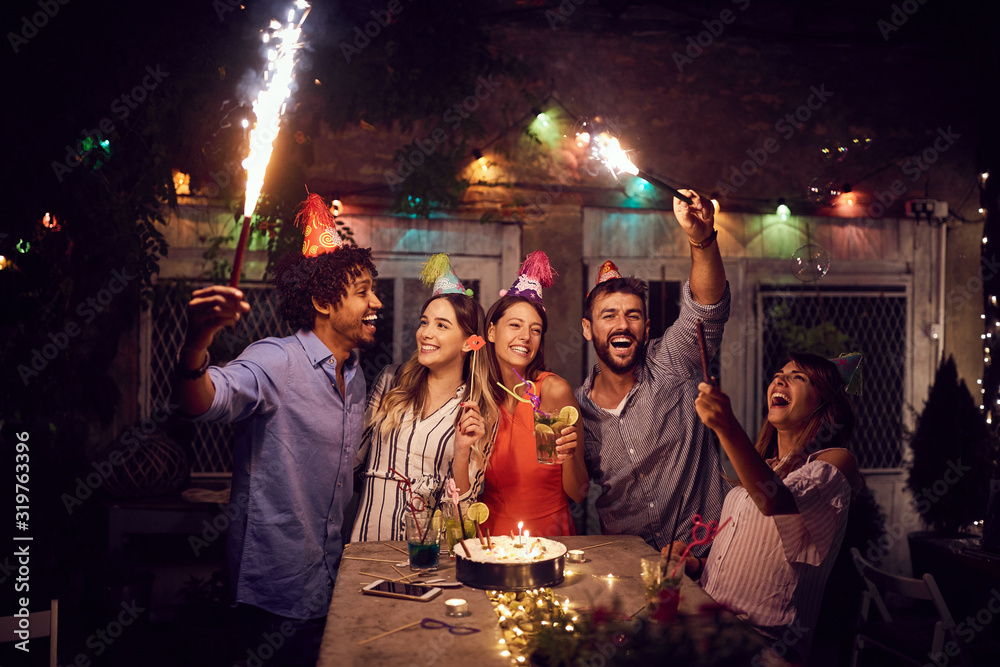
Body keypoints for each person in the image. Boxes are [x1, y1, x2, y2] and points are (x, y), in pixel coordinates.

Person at [172, 194, 380, 665]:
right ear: (323, 301)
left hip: (334, 580)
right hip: (277, 593)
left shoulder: (355, 372)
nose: (377, 302)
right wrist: (195, 344)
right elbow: (204, 401)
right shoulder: (275, 359)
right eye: (364, 291)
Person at [667, 352, 863, 662]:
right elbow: (753, 565)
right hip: (711, 624)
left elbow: (776, 500)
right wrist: (695, 564)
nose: (779, 379)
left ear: (825, 403)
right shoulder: (762, 469)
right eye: (778, 374)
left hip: (764, 646)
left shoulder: (835, 462)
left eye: (797, 377)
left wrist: (727, 427)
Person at [576, 190, 730, 552]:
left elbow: (708, 307)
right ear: (587, 329)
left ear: (646, 327)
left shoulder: (672, 361)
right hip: (630, 569)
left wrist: (702, 238)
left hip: (709, 554)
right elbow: (573, 489)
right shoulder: (576, 409)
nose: (622, 324)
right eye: (608, 315)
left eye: (632, 315)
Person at [351, 254, 497, 540]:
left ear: (471, 342)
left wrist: (463, 450)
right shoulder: (391, 380)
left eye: (442, 325)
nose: (426, 333)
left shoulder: (478, 410)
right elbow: (352, 460)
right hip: (367, 540)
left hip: (429, 553)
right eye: (424, 322)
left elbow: (465, 515)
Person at [481, 251, 589, 537]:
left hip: (548, 535)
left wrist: (567, 456)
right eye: (515, 325)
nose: (525, 337)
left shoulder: (551, 391)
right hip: (491, 538)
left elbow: (578, 493)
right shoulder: (482, 395)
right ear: (492, 332)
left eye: (536, 330)